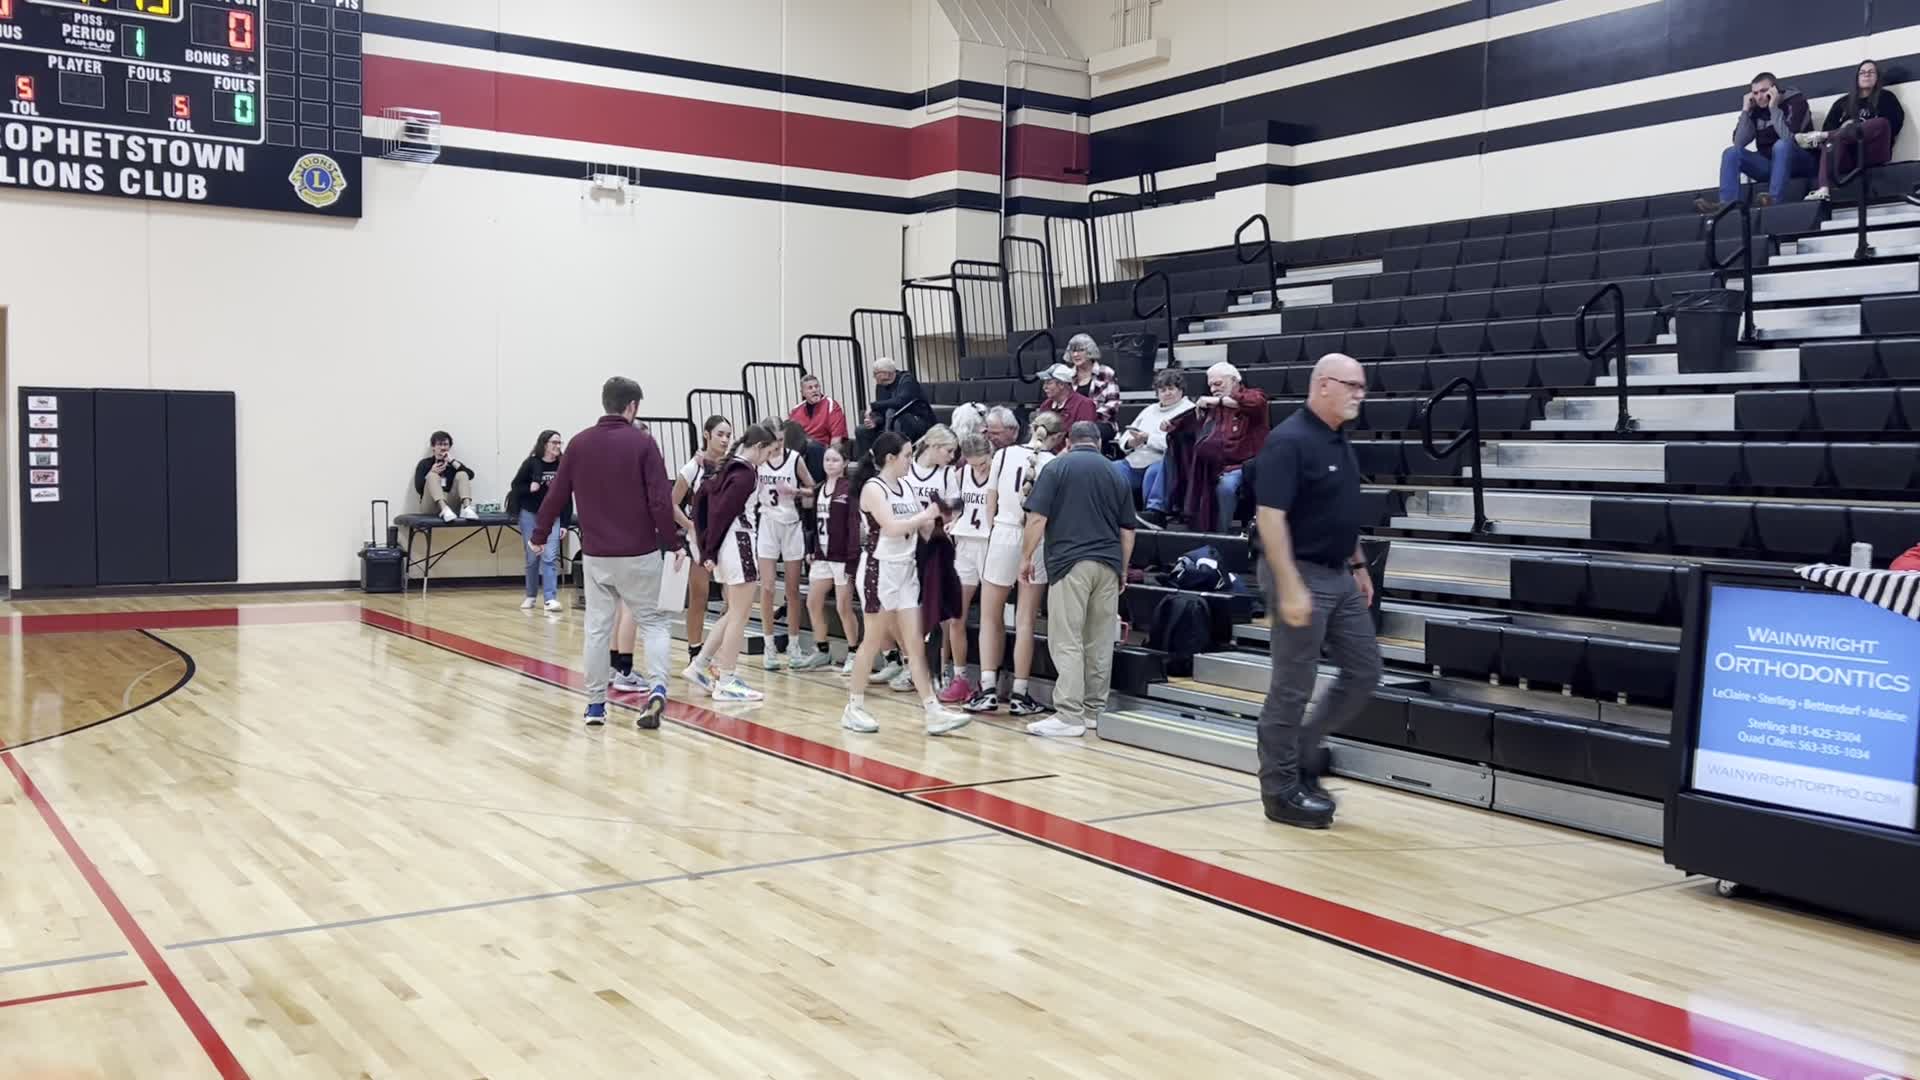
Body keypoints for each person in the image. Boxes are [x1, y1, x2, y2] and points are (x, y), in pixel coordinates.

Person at [1250, 354, 1383, 829]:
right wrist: (1288, 586)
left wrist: (1358, 564)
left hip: (1339, 572)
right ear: (1323, 385)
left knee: (1365, 670)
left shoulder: (1339, 441)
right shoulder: (1289, 441)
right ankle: (1280, 789)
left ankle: (1304, 749)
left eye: (1362, 388)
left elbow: (1339, 510)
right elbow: (1270, 518)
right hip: (1297, 570)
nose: (1358, 395)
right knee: (1292, 686)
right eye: (1352, 386)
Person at [532, 377, 684, 730]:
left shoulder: (579, 444)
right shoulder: (644, 444)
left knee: (597, 630)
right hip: (640, 552)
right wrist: (673, 544)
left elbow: (556, 497)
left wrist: (540, 535)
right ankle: (658, 688)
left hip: (597, 555)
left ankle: (596, 706)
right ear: (632, 407)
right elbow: (660, 499)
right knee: (655, 622)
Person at [840, 432, 972, 736]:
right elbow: (891, 527)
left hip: (906, 570)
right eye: (908, 455)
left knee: (914, 642)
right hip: (879, 570)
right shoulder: (874, 488)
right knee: (872, 640)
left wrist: (939, 520)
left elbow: (918, 526)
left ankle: (933, 710)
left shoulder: (907, 485)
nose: (911, 461)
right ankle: (854, 706)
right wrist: (924, 515)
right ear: (891, 458)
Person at [1021, 421, 1137, 738]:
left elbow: (1037, 518)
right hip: (1109, 565)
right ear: (1098, 443)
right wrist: (1123, 568)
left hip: (1069, 562)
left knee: (1067, 639)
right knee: (1099, 641)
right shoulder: (1117, 472)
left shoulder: (1057, 468)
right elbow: (1128, 530)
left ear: (1069, 442)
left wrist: (1026, 556)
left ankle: (1069, 715)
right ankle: (1093, 711)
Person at [966, 411, 1066, 716]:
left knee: (989, 617)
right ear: (1059, 438)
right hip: (1035, 540)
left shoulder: (1004, 455)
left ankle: (987, 690)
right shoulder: (1057, 463)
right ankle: (1021, 694)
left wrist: (994, 530)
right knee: (1025, 621)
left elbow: (990, 500)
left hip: (1003, 534)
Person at [688, 422, 782, 703]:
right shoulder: (745, 474)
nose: (770, 459)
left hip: (727, 546)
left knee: (733, 612)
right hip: (737, 543)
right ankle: (727, 679)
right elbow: (719, 513)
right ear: (758, 448)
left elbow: (701, 499)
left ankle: (699, 665)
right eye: (769, 453)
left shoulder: (729, 468)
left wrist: (708, 547)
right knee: (740, 615)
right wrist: (708, 551)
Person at [1170, 361, 1270, 532]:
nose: (1214, 389)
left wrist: (1219, 401)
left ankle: (1222, 537)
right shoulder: (1213, 407)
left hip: (1244, 466)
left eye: (1218, 384)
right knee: (1172, 457)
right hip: (1213, 466)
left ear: (1234, 380)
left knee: (1226, 486)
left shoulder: (1253, 395)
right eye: (1211, 386)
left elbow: (1256, 403)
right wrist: (1172, 426)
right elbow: (1190, 426)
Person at [1695, 71, 1813, 214]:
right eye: (1755, 93)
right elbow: (1738, 142)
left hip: (1800, 160)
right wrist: (1746, 111)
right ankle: (1727, 205)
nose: (1759, 97)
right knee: (1731, 153)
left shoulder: (1796, 102)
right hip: (1770, 163)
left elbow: (1789, 138)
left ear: (1775, 89)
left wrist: (1773, 107)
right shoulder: (1755, 109)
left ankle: (1774, 200)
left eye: (1763, 91)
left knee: (1782, 145)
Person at [902, 425, 962, 694]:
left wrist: (943, 519)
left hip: (935, 545)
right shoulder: (907, 469)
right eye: (948, 451)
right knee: (908, 609)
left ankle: (938, 671)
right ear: (935, 447)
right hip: (907, 544)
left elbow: (954, 509)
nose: (952, 456)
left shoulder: (948, 473)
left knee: (936, 611)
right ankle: (911, 667)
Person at [754, 422, 816, 672]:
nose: (779, 444)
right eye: (775, 440)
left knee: (792, 591)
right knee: (767, 588)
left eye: (782, 439)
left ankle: (793, 645)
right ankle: (769, 646)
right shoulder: (757, 461)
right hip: (767, 523)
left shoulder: (794, 458)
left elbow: (813, 491)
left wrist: (797, 491)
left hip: (791, 525)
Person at [670, 416, 733, 660]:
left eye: (728, 435)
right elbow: (671, 504)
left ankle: (719, 652)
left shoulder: (731, 465)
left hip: (726, 538)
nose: (725, 439)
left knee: (733, 601)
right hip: (700, 541)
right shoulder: (692, 467)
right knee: (699, 597)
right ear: (707, 435)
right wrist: (690, 526)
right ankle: (695, 652)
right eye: (720, 434)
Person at [940, 433, 995, 706]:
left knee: (989, 618)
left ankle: (989, 683)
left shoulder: (1000, 471)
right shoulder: (960, 474)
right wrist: (953, 521)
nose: (979, 469)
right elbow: (958, 509)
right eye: (974, 464)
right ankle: (960, 678)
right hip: (965, 547)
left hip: (991, 546)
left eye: (982, 464)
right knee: (955, 616)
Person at [802, 438, 862, 674]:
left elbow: (853, 526)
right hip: (822, 555)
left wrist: (851, 559)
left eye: (835, 460)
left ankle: (854, 651)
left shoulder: (848, 490)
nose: (830, 463)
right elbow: (813, 523)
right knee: (812, 601)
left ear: (845, 463)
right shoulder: (819, 488)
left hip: (841, 557)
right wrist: (812, 549)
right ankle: (822, 650)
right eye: (827, 459)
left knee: (843, 606)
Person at [1804, 60, 1904, 202]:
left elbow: (1892, 126)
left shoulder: (1886, 97)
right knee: (1830, 141)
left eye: (1871, 72)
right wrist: (1845, 129)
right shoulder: (1842, 103)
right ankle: (1824, 188)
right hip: (1849, 155)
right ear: (1857, 77)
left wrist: (1859, 128)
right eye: (1862, 72)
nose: (1866, 75)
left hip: (1874, 151)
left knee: (1881, 123)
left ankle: (1834, 134)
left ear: (1877, 77)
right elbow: (1828, 127)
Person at [1112, 368, 1194, 528]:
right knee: (1110, 470)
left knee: (1154, 471)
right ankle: (1112, 514)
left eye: (1171, 389)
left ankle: (1154, 515)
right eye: (1162, 390)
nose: (1167, 393)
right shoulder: (1149, 410)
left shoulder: (1189, 410)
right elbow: (1127, 435)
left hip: (1167, 461)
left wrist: (1148, 439)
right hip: (1137, 458)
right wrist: (1131, 443)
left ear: (1181, 390)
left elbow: (1179, 443)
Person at [508, 429, 565, 611]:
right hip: (530, 514)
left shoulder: (562, 465)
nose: (557, 446)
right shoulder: (531, 463)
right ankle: (531, 595)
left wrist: (564, 523)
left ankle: (550, 598)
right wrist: (532, 488)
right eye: (554, 442)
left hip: (553, 516)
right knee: (532, 557)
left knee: (549, 556)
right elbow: (516, 486)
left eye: (559, 443)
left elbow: (566, 495)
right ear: (544, 445)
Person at [861, 356, 935, 452]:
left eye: (875, 373)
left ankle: (895, 455)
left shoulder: (907, 380)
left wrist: (873, 405)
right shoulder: (880, 386)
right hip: (891, 420)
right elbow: (882, 411)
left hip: (916, 419)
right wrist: (875, 421)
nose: (873, 376)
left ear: (887, 373)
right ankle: (869, 463)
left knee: (896, 417)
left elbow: (901, 401)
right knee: (861, 430)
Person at [788, 373, 848, 479]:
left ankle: (816, 487)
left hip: (823, 449)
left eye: (817, 386)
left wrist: (831, 459)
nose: (815, 390)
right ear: (803, 393)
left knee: (812, 447)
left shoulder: (831, 405)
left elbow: (836, 440)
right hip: (802, 450)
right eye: (810, 388)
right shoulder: (795, 410)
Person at [412, 431, 477, 522]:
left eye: (445, 444)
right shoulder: (425, 463)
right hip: (430, 506)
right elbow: (419, 488)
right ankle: (444, 509)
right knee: (432, 476)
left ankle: (467, 508)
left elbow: (470, 475)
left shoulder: (453, 464)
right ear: (433, 447)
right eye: (439, 444)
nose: (442, 448)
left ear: (449, 447)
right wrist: (431, 471)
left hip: (451, 507)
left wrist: (452, 461)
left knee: (462, 473)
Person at [1065, 333, 1121, 425]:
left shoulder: (1106, 372)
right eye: (1073, 351)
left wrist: (1090, 417)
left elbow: (1113, 403)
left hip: (1101, 422)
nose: (1075, 354)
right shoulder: (1068, 375)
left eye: (1080, 350)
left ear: (1090, 351)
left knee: (1083, 433)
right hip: (1073, 423)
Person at [1039, 363, 1098, 428]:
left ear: (1061, 384)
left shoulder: (1084, 404)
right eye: (1044, 383)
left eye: (1049, 383)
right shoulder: (1046, 405)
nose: (1044, 387)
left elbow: (1085, 435)